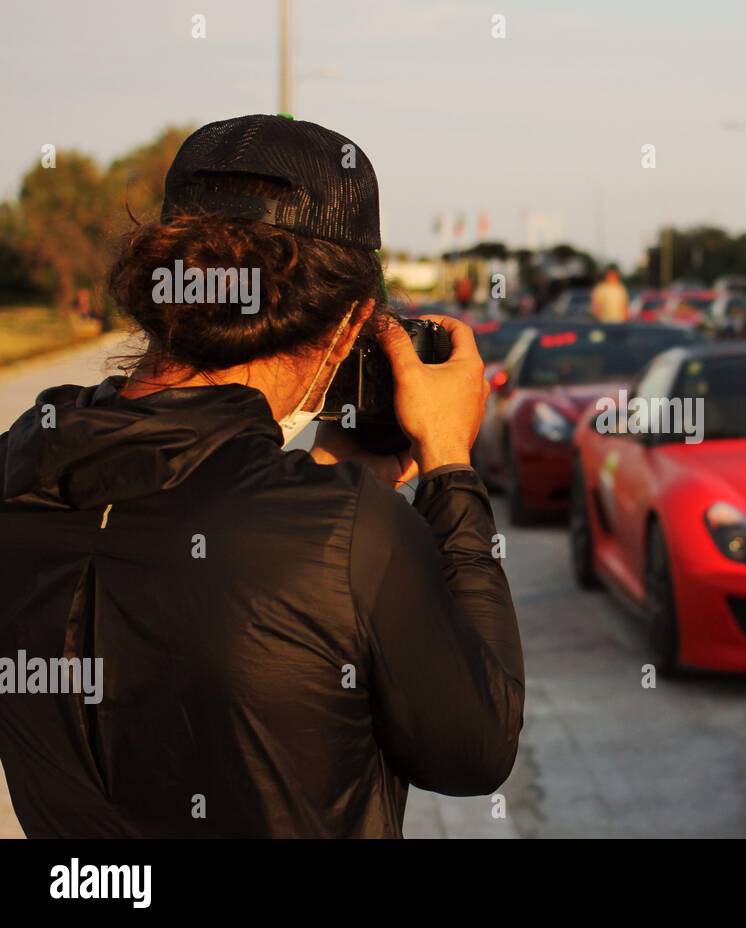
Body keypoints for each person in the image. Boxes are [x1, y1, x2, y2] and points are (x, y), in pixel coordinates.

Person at [0, 115, 524, 837]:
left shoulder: (22, 463)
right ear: (351, 325)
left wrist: (335, 484)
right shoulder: (349, 537)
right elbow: (474, 749)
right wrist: (449, 467)